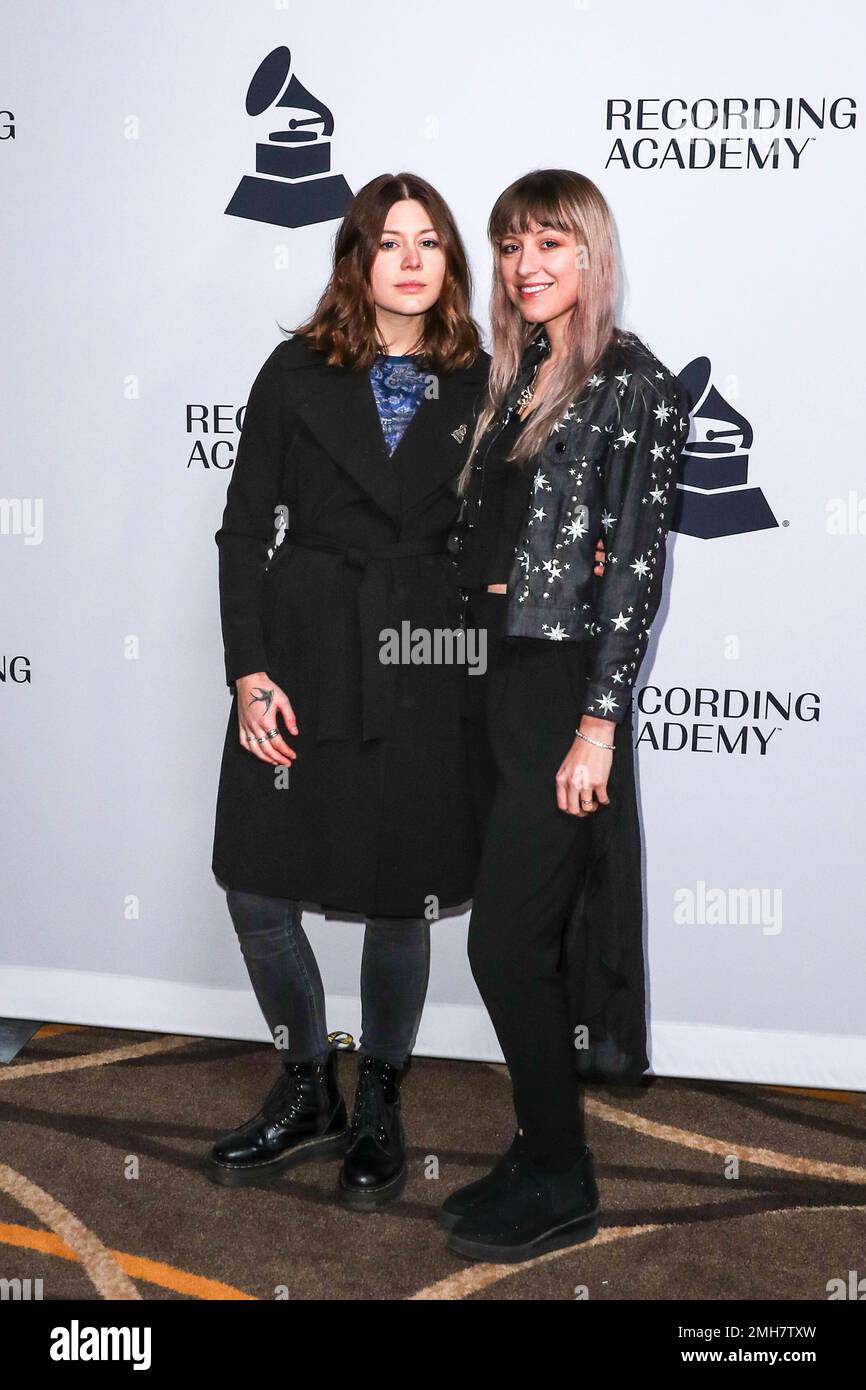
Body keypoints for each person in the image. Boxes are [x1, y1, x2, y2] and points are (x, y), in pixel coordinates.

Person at [206, 173, 491, 1209]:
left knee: (398, 895)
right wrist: (247, 670)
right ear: (356, 260)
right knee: (256, 885)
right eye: (389, 241)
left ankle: (375, 1094)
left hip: (420, 657)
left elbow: (493, 538)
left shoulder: (481, 382)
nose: (411, 259)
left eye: (429, 242)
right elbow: (244, 530)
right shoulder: (292, 371)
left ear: (448, 263)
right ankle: (302, 1084)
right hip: (303, 648)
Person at [440, 168, 690, 1262]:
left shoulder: (631, 383)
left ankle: (561, 1171)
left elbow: (632, 572)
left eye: (549, 243)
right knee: (514, 938)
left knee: (503, 943)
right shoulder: (518, 372)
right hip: (487, 676)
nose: (524, 264)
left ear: (592, 256)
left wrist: (597, 724)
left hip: (555, 689)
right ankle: (539, 1142)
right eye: (508, 244)